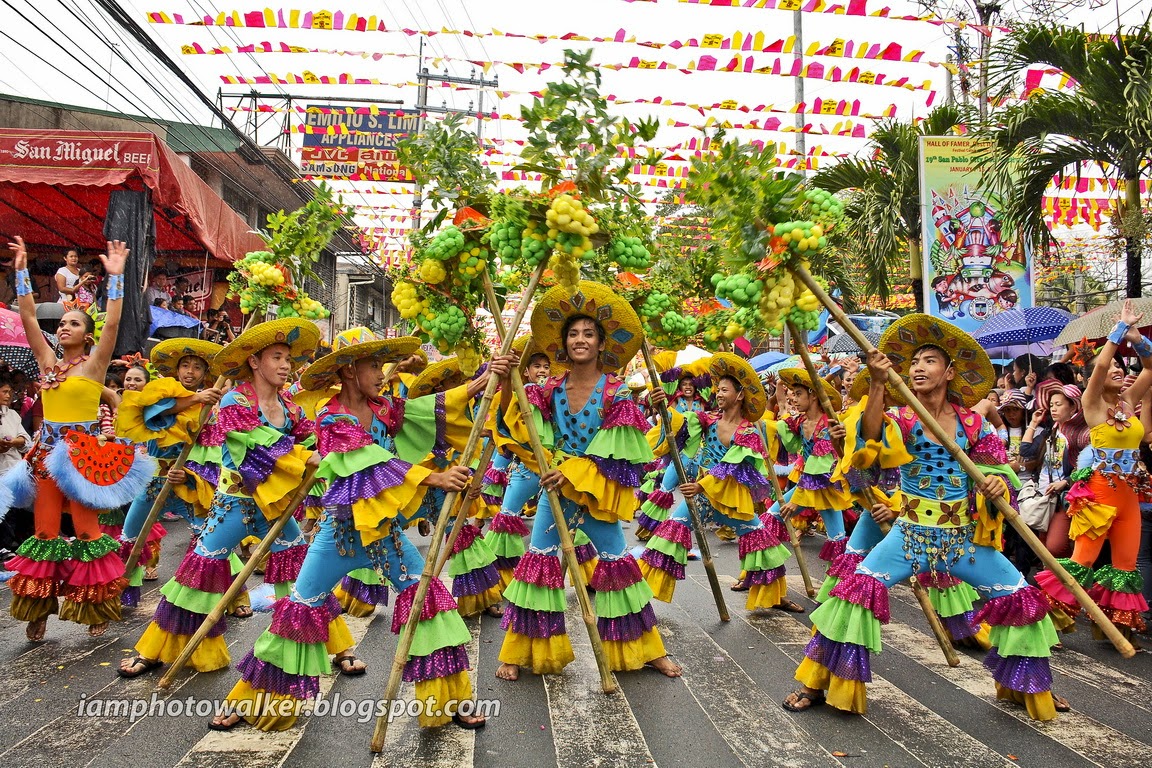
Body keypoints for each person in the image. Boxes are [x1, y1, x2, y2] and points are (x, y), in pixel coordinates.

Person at [209, 328, 514, 731]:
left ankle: (451, 700)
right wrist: (431, 478)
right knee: (299, 609)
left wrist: (488, 378)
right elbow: (366, 460)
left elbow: (436, 408)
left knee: (427, 602)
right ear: (350, 370)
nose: (382, 373)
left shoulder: (388, 409)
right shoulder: (331, 416)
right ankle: (253, 700)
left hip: (385, 536)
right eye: (374, 365)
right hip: (339, 535)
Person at [783, 313, 1065, 721]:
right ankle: (817, 684)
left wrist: (995, 484)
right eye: (914, 362)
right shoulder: (903, 418)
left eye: (929, 360)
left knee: (1019, 598)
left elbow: (999, 467)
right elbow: (870, 442)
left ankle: (1032, 687)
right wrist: (878, 382)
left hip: (963, 541)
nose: (918, 367)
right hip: (910, 534)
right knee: (853, 596)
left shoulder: (973, 423)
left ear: (949, 372)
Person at [494, 281, 681, 682]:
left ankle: (648, 651)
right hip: (556, 493)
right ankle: (520, 650)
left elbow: (618, 462)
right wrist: (505, 377)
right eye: (573, 334)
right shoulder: (547, 390)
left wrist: (573, 472)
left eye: (588, 334)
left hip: (594, 496)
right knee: (539, 568)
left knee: (619, 569)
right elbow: (521, 426)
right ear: (564, 344)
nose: (580, 340)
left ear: (601, 343)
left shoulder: (618, 395)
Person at [118, 318, 320, 678]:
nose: (286, 365)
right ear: (255, 362)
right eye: (277, 356)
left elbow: (308, 442)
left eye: (289, 358)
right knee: (193, 579)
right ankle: (153, 650)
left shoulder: (292, 407)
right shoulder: (234, 399)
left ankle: (327, 649)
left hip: (276, 508)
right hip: (234, 505)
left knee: (304, 579)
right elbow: (256, 450)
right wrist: (306, 457)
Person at [1, 235, 152, 641]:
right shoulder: (48, 364)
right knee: (45, 534)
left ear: (87, 336)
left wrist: (116, 280)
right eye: (63, 323)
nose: (64, 327)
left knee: (87, 532)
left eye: (73, 324)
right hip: (47, 459)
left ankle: (93, 607)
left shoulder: (95, 366)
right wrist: (21, 275)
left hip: (83, 461)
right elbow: (30, 319)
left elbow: (115, 322)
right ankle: (39, 610)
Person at [638, 353, 800, 613]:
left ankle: (775, 596)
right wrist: (661, 404)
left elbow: (732, 465)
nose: (718, 393)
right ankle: (642, 592)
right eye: (717, 389)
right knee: (670, 533)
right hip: (703, 496)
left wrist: (700, 485)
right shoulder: (707, 419)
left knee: (762, 542)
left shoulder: (749, 430)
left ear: (739, 395)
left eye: (724, 389)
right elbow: (676, 424)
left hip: (730, 496)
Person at [1034, 300, 1152, 641]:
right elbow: (1099, 368)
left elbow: (1149, 367)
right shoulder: (1092, 403)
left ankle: (1113, 628)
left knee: (1126, 566)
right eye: (1112, 366)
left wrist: (1136, 338)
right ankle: (1042, 622)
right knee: (1082, 561)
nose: (1116, 369)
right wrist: (1116, 335)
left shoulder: (1128, 403)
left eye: (1120, 366)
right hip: (1098, 495)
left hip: (1130, 497)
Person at [115, 340, 224, 606]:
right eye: (185, 365)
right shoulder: (161, 390)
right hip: (153, 479)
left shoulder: (212, 404)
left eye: (197, 367)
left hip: (188, 481)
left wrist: (189, 474)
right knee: (130, 535)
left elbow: (211, 449)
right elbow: (154, 415)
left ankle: (220, 599)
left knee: (210, 538)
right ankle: (123, 592)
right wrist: (197, 397)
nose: (190, 371)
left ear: (205, 374)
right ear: (176, 369)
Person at [774, 368, 853, 568]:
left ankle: (836, 590)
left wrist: (797, 501)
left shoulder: (828, 424)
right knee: (771, 518)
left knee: (837, 539)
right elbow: (792, 446)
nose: (794, 399)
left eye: (799, 394)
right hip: (809, 485)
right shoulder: (801, 421)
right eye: (794, 394)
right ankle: (763, 575)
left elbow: (820, 467)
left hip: (828, 487)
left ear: (814, 395)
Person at [0, 372, 32, 474]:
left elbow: (26, 441)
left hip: (14, 470)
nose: (8, 396)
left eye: (10, 392)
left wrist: (14, 441)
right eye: (4, 392)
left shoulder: (12, 415)